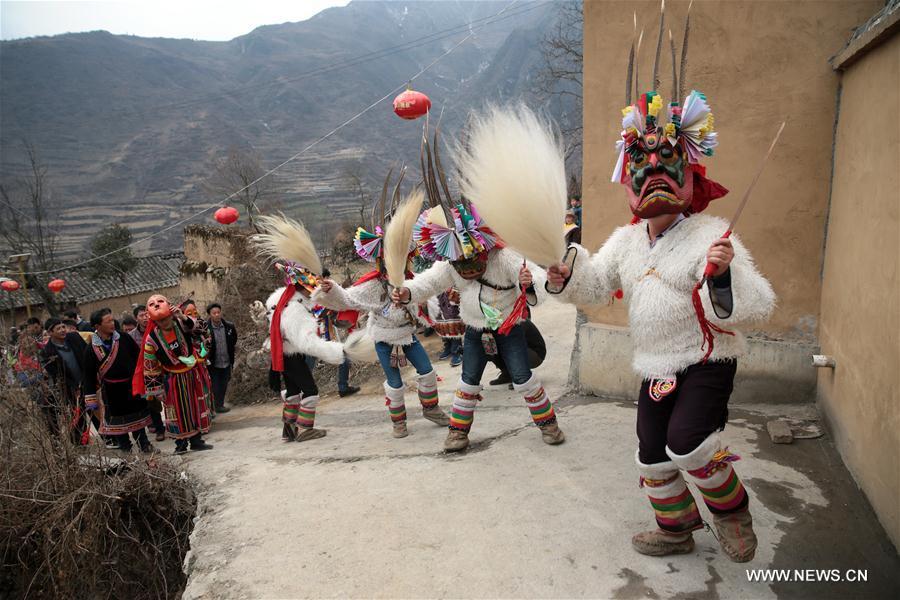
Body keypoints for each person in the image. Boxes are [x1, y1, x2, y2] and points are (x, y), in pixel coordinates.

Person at [546, 13, 775, 562]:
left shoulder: (711, 234)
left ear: (691, 173)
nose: (652, 174)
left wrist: (721, 276)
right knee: (652, 457)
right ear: (627, 179)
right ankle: (675, 530)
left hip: (705, 360)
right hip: (654, 367)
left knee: (690, 444)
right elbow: (598, 287)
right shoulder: (626, 241)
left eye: (666, 162)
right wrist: (565, 275)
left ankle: (732, 512)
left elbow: (759, 305)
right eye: (640, 166)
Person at [395, 136, 565, 452]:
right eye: (460, 263)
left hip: (509, 330)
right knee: (468, 382)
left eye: (474, 262)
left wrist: (538, 282)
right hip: (474, 332)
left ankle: (549, 424)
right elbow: (428, 283)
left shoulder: (504, 258)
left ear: (483, 248)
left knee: (523, 377)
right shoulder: (451, 266)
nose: (468, 269)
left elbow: (538, 278)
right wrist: (405, 293)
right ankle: (458, 432)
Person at [312, 174, 450, 439]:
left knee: (427, 371)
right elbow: (350, 299)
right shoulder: (375, 284)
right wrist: (332, 289)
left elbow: (427, 305)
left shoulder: (411, 282)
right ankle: (399, 422)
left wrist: (411, 301)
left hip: (407, 336)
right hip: (384, 338)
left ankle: (431, 409)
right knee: (395, 383)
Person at [261, 258, 351, 442]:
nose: (312, 293)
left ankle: (289, 430)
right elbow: (308, 343)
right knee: (310, 391)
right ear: (302, 288)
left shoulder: (279, 301)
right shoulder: (296, 310)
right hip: (292, 355)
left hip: (282, 354)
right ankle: (304, 429)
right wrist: (338, 351)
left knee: (293, 392)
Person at [135, 294, 214, 454]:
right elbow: (151, 367)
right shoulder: (151, 339)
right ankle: (180, 444)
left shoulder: (182, 324)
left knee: (195, 408)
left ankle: (197, 441)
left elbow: (202, 329)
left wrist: (183, 316)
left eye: (166, 319)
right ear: (155, 321)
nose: (165, 323)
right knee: (176, 412)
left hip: (192, 375)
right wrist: (156, 391)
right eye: (160, 321)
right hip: (171, 380)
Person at [83, 308, 153, 453]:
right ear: (97, 326)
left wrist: (143, 382)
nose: (112, 323)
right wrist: (91, 400)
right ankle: (126, 448)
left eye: (112, 319)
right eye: (108, 321)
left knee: (138, 418)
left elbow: (138, 360)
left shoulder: (124, 338)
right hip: (111, 391)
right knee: (117, 423)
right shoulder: (91, 349)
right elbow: (88, 376)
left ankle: (144, 445)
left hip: (130, 387)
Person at [40, 317, 88, 442]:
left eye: (63, 327)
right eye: (58, 328)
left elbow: (87, 354)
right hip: (70, 388)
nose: (62, 330)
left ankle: (109, 438)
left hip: (87, 380)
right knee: (78, 414)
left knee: (96, 409)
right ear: (50, 333)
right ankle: (81, 442)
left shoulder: (74, 338)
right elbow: (57, 375)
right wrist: (73, 387)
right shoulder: (48, 352)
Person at [130, 303, 164, 441]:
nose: (145, 318)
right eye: (141, 315)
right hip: (146, 373)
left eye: (146, 314)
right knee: (152, 402)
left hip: (162, 369)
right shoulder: (132, 336)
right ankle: (159, 429)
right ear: (136, 318)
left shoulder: (158, 330)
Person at [487, 318, 546, 389]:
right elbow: (490, 351)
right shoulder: (490, 324)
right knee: (490, 345)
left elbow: (515, 347)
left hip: (535, 354)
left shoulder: (514, 320)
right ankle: (507, 374)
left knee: (508, 347)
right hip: (524, 350)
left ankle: (522, 378)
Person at [206, 302, 237, 414]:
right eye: (214, 313)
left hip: (226, 360)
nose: (217, 315)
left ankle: (219, 404)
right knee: (215, 385)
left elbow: (234, 340)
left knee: (224, 383)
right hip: (213, 362)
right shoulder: (206, 328)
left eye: (218, 312)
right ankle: (214, 406)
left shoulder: (229, 326)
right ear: (210, 314)